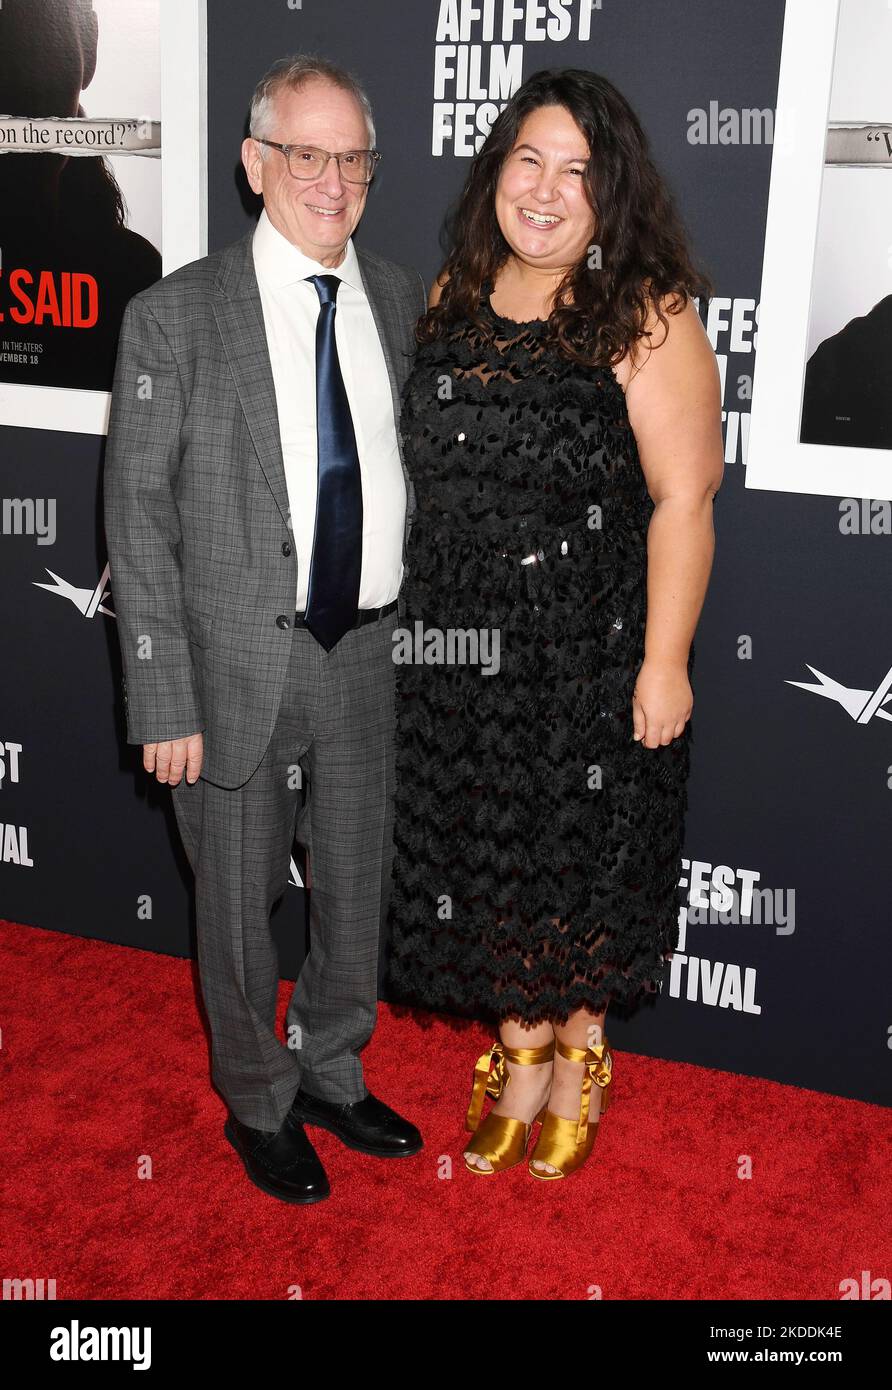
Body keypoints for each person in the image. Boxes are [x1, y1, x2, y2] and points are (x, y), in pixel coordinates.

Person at [385, 69, 724, 1180]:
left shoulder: (646, 313)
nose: (544, 189)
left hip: (588, 651)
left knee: (577, 862)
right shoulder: (456, 292)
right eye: (528, 160)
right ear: (497, 171)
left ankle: (580, 1057)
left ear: (611, 191)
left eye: (576, 171)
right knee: (491, 855)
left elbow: (684, 499)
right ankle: (519, 1052)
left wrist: (663, 662)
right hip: (456, 643)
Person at [104, 53, 425, 1206]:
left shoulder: (397, 297)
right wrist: (163, 697)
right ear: (254, 162)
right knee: (239, 909)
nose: (333, 181)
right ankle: (257, 1099)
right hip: (236, 666)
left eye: (354, 159)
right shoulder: (174, 316)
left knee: (356, 888)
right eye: (305, 154)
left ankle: (332, 1066)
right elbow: (136, 518)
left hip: (369, 653)